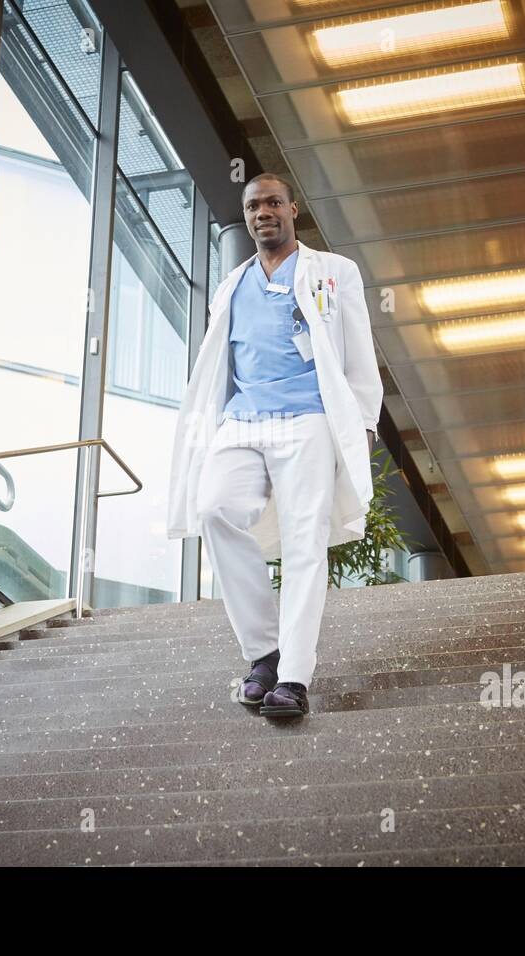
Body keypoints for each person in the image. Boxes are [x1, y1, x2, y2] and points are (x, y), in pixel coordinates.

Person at [166, 172, 383, 719]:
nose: (262, 212)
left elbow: (358, 355)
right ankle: (264, 652)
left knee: (304, 541)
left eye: (272, 203)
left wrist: (361, 425)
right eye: (252, 205)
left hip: (309, 418)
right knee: (214, 508)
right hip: (242, 420)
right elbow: (221, 364)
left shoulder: (334, 272)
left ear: (292, 210)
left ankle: (293, 679)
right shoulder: (231, 284)